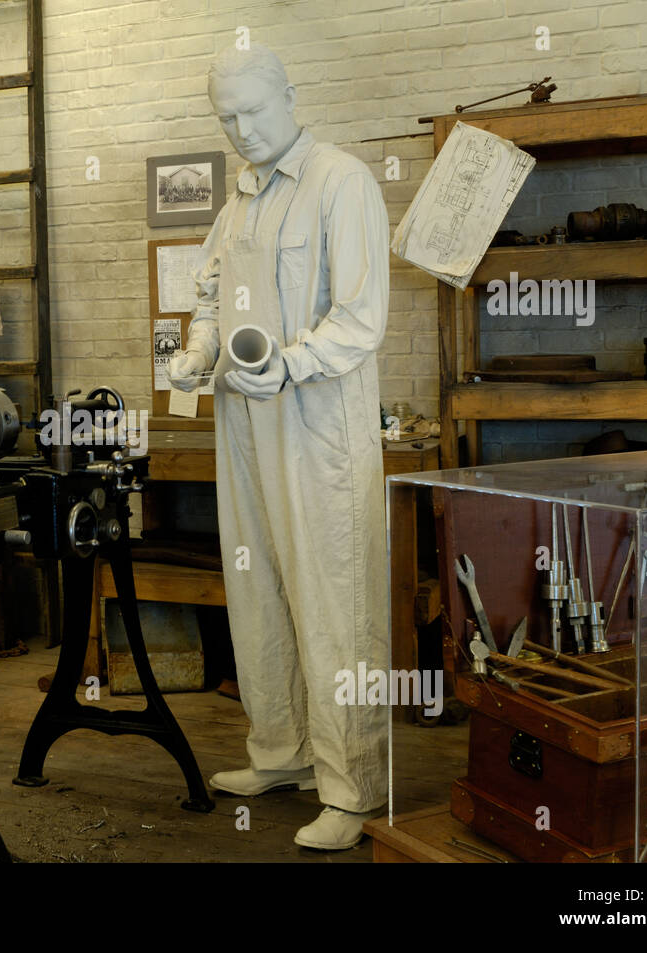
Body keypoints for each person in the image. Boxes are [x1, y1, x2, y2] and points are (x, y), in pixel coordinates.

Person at [167, 42, 390, 850]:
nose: (242, 129)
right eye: (227, 117)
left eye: (255, 111)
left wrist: (289, 366)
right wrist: (196, 353)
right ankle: (282, 751)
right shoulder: (237, 205)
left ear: (290, 95)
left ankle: (353, 784)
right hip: (243, 425)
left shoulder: (341, 183)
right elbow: (209, 298)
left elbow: (362, 318)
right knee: (255, 585)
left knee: (336, 602)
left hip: (319, 429)